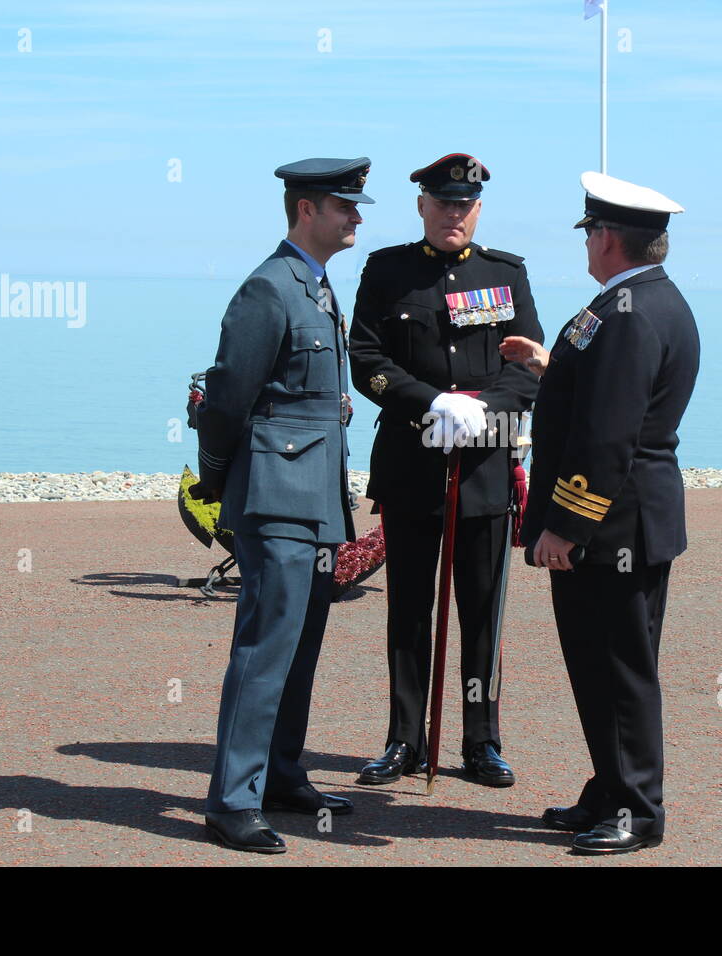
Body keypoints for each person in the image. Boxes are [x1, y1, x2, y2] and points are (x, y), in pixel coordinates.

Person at [505, 171, 699, 855]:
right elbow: (603, 399)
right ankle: (611, 788)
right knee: (600, 666)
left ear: (609, 237)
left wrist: (565, 526)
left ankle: (638, 810)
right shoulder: (640, 303)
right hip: (625, 519)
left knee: (619, 669)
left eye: (591, 230)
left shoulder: (630, 314)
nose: (587, 241)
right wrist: (553, 369)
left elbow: (608, 436)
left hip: (615, 526)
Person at [192, 157, 371, 853]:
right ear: (306, 211)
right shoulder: (269, 289)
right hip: (275, 497)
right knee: (265, 649)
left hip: (316, 497)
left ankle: (280, 774)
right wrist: (215, 476)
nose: (356, 217)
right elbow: (229, 397)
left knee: (300, 647)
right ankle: (231, 800)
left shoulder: (316, 286)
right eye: (344, 206)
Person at [348, 153, 544, 786]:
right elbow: (366, 358)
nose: (453, 214)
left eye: (464, 206)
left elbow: (529, 365)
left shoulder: (505, 274)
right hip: (411, 463)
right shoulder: (387, 271)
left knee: (481, 610)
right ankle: (404, 737)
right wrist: (431, 401)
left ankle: (481, 739)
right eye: (443, 204)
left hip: (485, 467)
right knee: (408, 608)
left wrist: (482, 409)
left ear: (477, 210)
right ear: (422, 207)